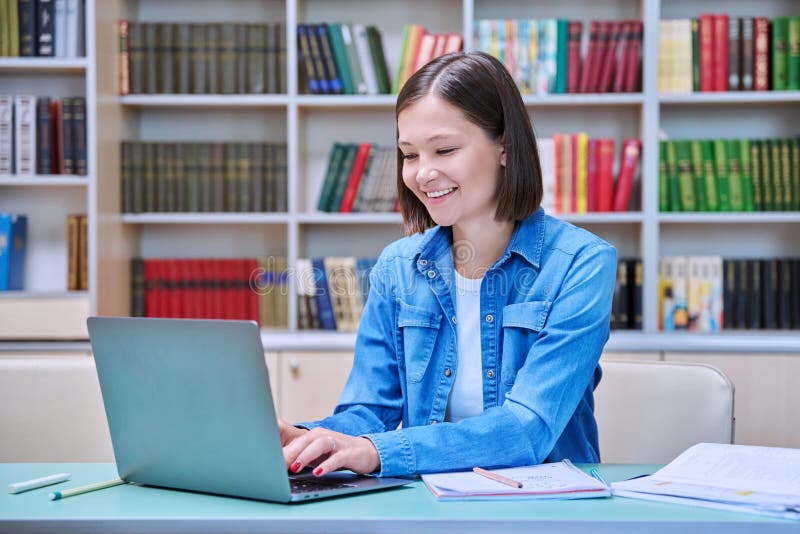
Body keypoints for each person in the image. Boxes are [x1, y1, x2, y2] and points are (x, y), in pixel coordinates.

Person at [280, 51, 617, 478]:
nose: (422, 174)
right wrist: (308, 439)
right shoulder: (397, 267)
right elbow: (368, 415)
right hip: (432, 509)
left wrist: (379, 452)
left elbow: (527, 430)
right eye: (409, 154)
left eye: (444, 149)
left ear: (505, 149)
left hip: (544, 509)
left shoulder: (582, 265)